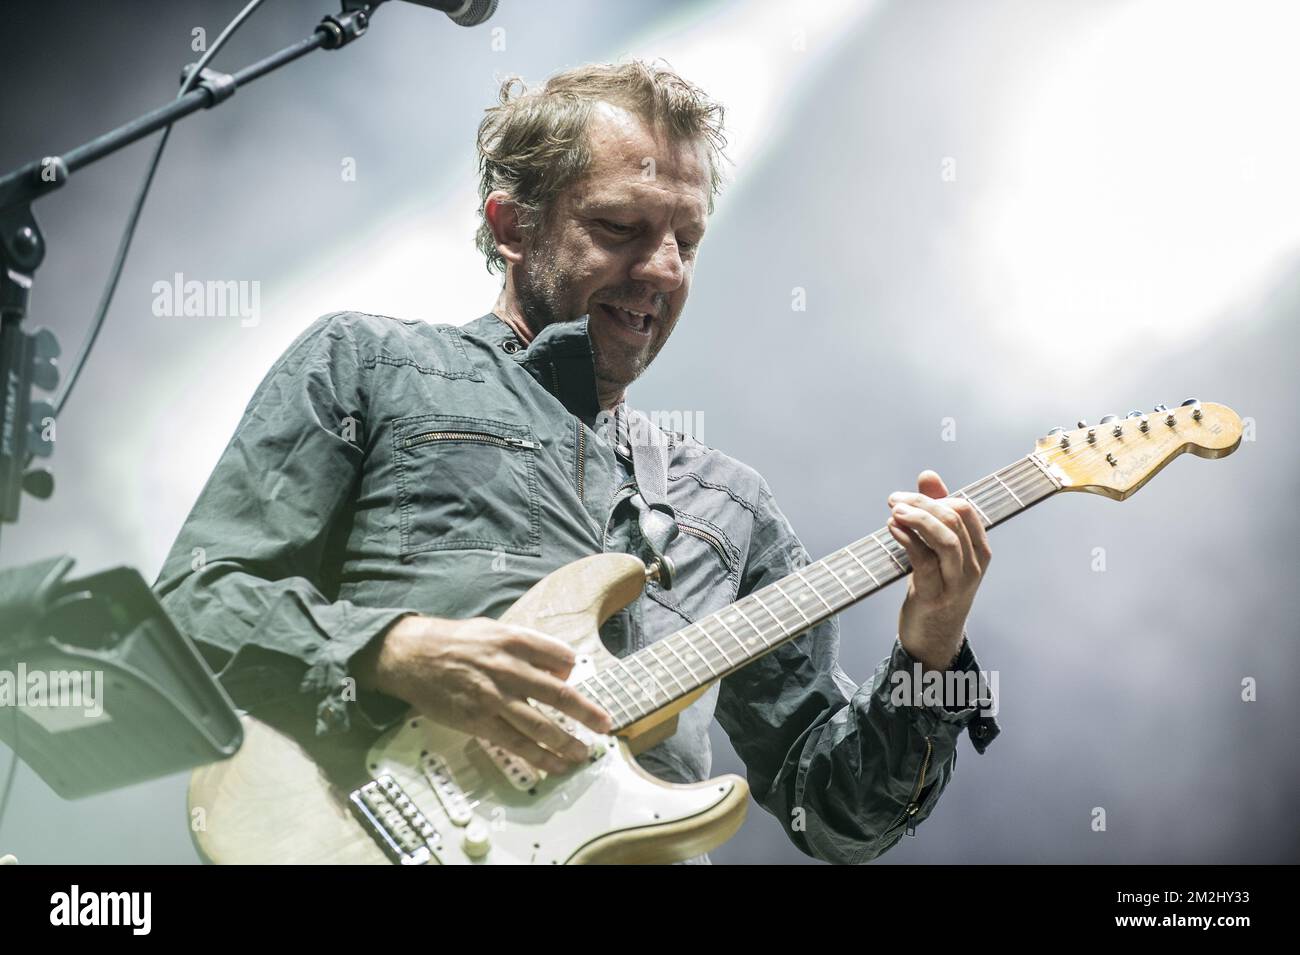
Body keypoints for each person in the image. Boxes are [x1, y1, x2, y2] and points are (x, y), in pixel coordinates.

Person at [154, 61, 999, 865]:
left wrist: (933, 655)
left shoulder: (730, 506)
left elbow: (838, 816)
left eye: (687, 240)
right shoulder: (369, 365)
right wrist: (390, 650)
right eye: (621, 227)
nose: (663, 269)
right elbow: (189, 613)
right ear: (513, 225)